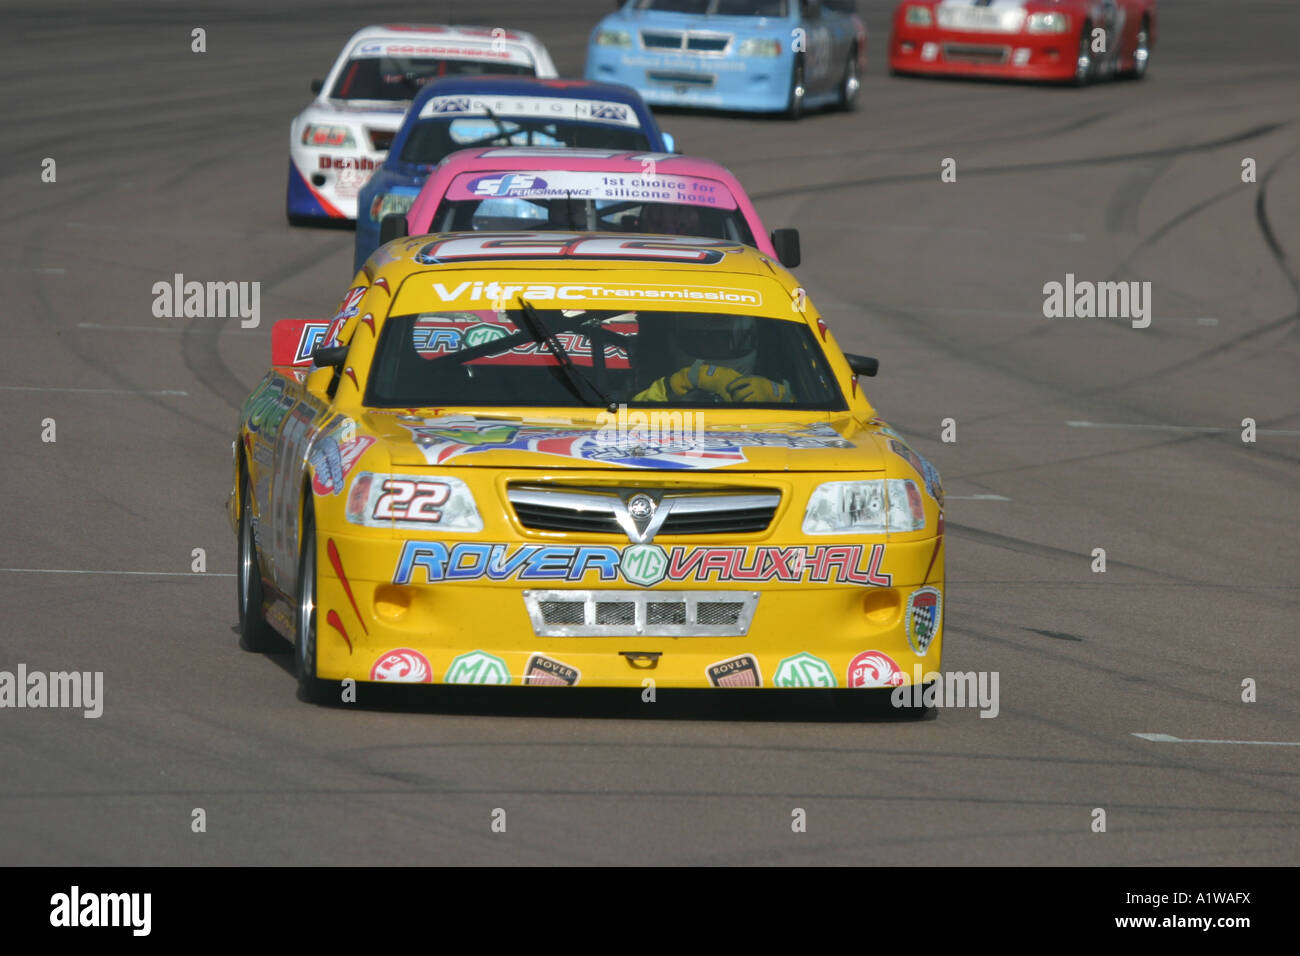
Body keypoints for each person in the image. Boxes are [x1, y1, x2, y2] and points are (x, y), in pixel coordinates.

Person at [632, 314, 793, 403]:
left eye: (728, 342)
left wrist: (782, 396)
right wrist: (675, 385)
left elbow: (814, 417)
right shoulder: (666, 390)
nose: (718, 348)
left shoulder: (773, 392)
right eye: (706, 341)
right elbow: (623, 418)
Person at [639, 202, 704, 237]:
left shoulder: (690, 210)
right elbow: (648, 225)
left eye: (682, 226)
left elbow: (694, 230)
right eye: (659, 224)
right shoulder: (654, 205)